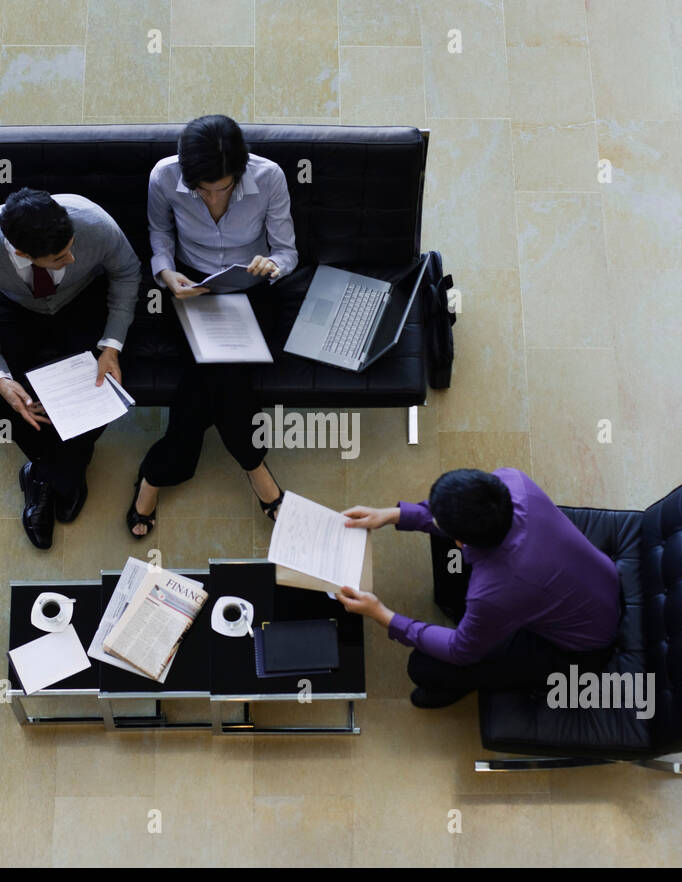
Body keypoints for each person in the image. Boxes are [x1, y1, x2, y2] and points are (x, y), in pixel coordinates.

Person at [127, 114, 299, 538]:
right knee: (225, 378)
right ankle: (255, 466)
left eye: (222, 188)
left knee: (211, 379)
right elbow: (159, 235)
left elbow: (287, 250)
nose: (212, 197)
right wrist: (165, 274)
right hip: (191, 284)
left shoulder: (269, 177)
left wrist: (272, 265)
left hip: (251, 287)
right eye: (202, 190)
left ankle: (159, 472)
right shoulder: (164, 177)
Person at [337, 468, 622, 708]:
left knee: (423, 667)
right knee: (441, 540)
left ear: (463, 541)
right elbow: (449, 520)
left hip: (581, 647)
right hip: (598, 579)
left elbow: (461, 650)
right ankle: (462, 610)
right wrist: (390, 515)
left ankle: (491, 681)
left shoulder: (494, 591)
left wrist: (382, 614)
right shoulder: (512, 481)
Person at [0, 187, 141, 549]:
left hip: (81, 300)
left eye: (72, 246)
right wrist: (0, 378)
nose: (72, 257)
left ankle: (45, 476)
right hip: (15, 308)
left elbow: (127, 273)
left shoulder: (93, 222)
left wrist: (111, 345)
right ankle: (66, 469)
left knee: (105, 385)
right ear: (23, 254)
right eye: (60, 256)